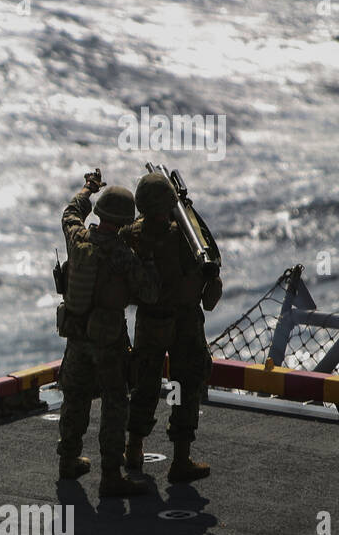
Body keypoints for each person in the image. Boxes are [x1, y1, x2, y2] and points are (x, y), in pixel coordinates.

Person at [56, 173, 159, 498]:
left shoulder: (79, 238)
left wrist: (88, 188)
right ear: (126, 220)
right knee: (115, 404)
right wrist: (148, 256)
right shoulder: (123, 255)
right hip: (109, 341)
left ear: (99, 214)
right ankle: (111, 476)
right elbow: (150, 293)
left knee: (75, 397)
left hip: (77, 336)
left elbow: (70, 213)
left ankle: (69, 460)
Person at [124, 172, 223, 482]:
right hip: (184, 321)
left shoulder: (132, 235)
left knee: (145, 384)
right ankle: (181, 459)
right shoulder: (185, 235)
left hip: (151, 320)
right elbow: (210, 282)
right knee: (186, 385)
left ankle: (134, 450)